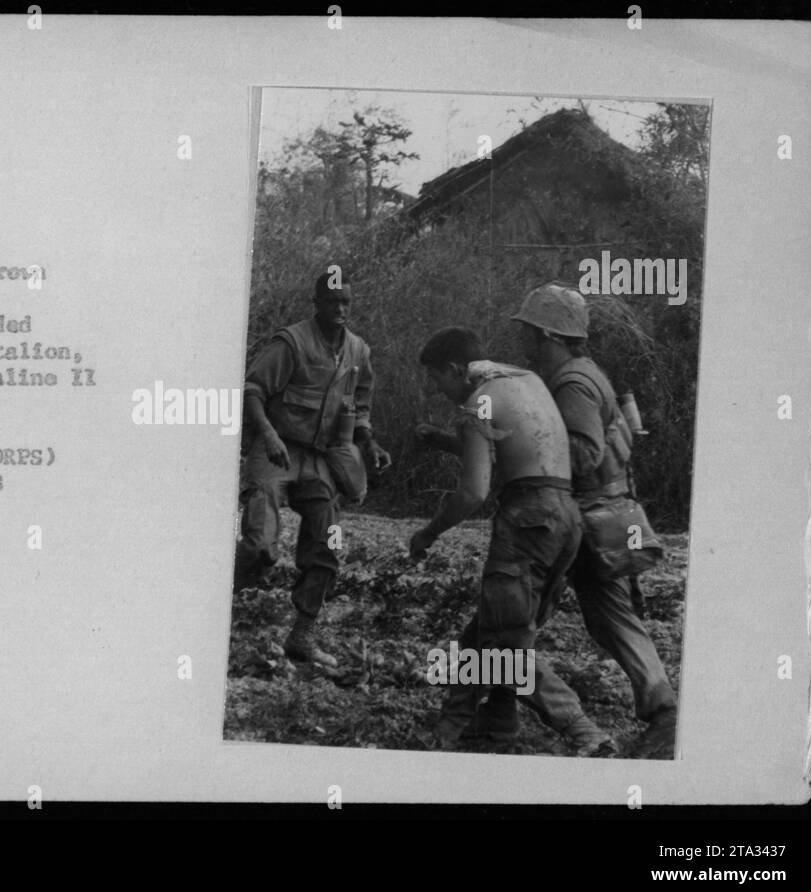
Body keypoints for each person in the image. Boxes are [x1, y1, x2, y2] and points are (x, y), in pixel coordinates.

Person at [411, 327, 614, 756]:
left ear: (454, 369)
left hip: (527, 522)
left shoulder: (476, 404)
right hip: (566, 517)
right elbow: (521, 452)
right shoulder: (527, 381)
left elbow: (473, 493)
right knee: (491, 629)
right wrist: (449, 442)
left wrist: (427, 534)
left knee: (504, 643)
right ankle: (475, 728)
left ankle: (582, 731)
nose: (439, 391)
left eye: (437, 380)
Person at [512, 282, 678, 759]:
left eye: (528, 333)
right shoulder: (582, 374)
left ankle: (506, 705)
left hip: (581, 519)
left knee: (513, 619)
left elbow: (583, 453)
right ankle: (662, 710)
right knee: (611, 617)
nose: (523, 343)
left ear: (549, 336)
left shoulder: (573, 382)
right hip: (597, 518)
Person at [234, 270, 391, 668]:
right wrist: (267, 435)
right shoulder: (292, 342)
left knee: (329, 542)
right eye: (331, 302)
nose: (339, 310)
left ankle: (302, 635)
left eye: (345, 303)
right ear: (316, 303)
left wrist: (369, 442)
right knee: (260, 546)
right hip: (275, 450)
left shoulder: (358, 352)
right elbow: (252, 391)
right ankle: (216, 608)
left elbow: (361, 405)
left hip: (319, 459)